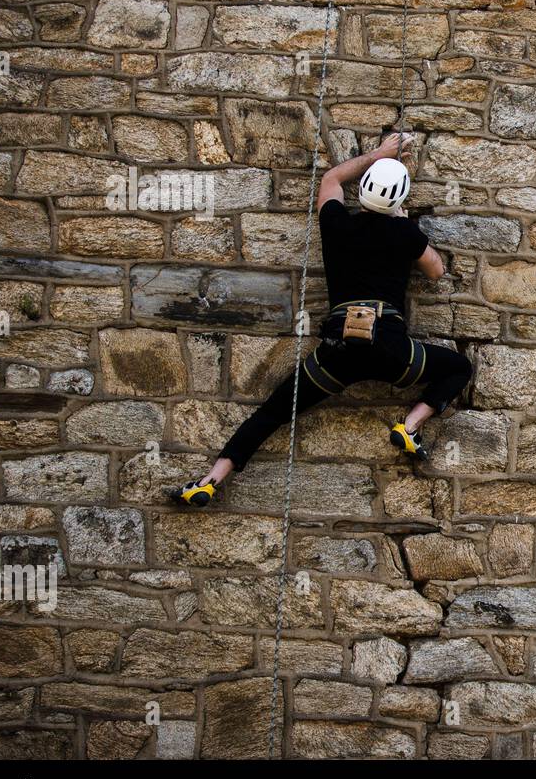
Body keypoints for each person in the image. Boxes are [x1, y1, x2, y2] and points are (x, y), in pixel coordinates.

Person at [177, 133, 472, 507]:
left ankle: (212, 478)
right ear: (398, 200)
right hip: (391, 348)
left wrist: (377, 154)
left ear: (363, 191)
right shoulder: (405, 233)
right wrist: (403, 223)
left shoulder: (336, 224)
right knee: (458, 367)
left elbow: (331, 179)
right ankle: (409, 426)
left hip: (339, 347)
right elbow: (436, 271)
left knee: (273, 412)